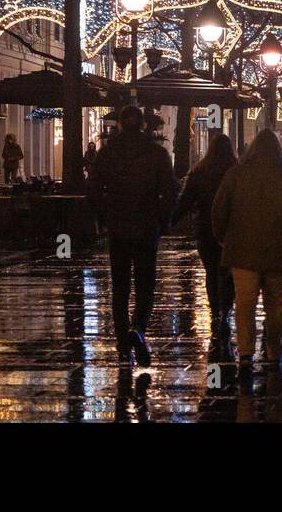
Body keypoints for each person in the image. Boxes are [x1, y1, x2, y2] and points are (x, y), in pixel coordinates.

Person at [211, 129, 282, 385]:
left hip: (242, 252)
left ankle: (245, 353)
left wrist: (225, 239)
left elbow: (218, 211)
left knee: (244, 304)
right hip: (277, 251)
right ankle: (273, 351)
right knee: (274, 303)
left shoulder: (235, 174)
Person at [88, 105, 179, 367]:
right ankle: (138, 328)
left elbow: (92, 190)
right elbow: (171, 192)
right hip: (146, 226)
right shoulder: (157, 154)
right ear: (143, 125)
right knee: (145, 282)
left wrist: (105, 216)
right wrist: (163, 220)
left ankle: (121, 341)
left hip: (118, 226)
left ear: (119, 125)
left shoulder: (107, 154)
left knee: (120, 284)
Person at [173, 132, 238, 337]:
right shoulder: (236, 172)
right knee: (228, 271)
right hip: (231, 230)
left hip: (206, 229)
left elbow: (185, 202)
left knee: (211, 271)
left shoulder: (200, 172)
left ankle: (216, 310)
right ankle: (226, 309)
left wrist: (169, 221)